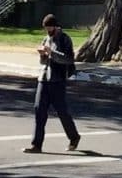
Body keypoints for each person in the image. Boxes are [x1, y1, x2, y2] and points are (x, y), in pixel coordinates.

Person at [23, 13, 80, 153]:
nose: (48, 31)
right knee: (39, 110)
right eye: (46, 28)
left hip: (57, 80)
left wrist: (52, 52)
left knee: (62, 112)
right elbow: (43, 62)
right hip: (43, 78)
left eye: (50, 28)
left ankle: (74, 137)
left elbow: (68, 59)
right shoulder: (45, 39)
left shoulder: (64, 39)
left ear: (55, 26)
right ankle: (36, 144)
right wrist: (42, 54)